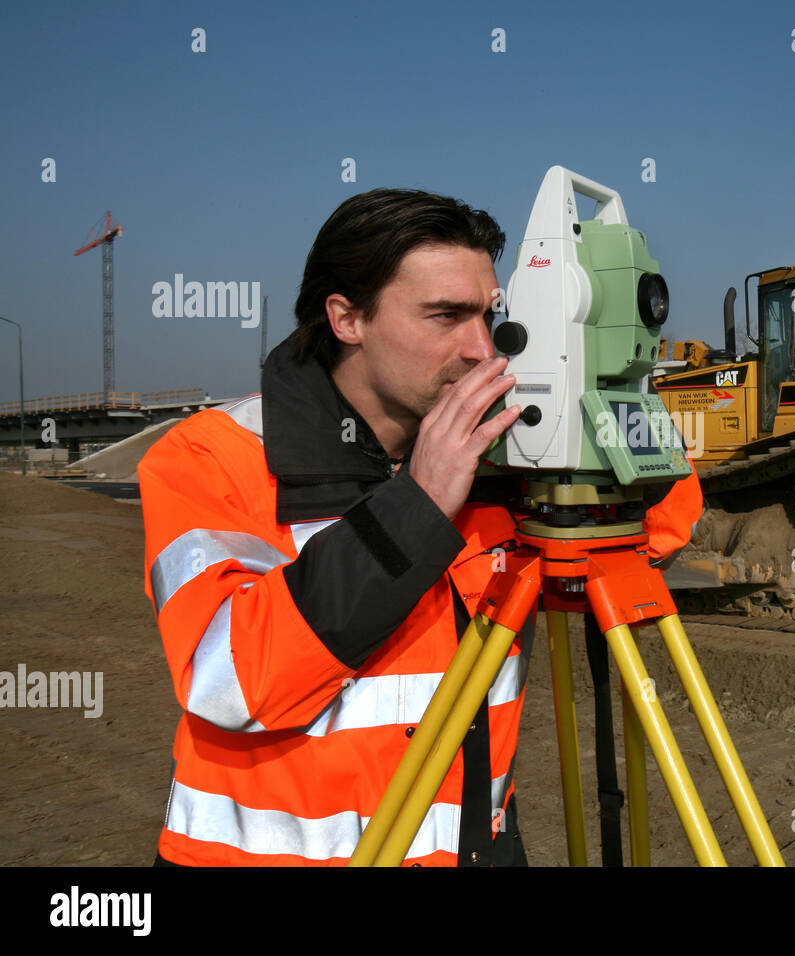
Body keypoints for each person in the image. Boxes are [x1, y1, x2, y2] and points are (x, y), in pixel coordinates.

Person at [139, 188, 702, 866]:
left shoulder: (506, 455)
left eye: (492, 316)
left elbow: (663, 530)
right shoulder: (213, 456)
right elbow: (228, 680)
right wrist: (417, 505)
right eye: (446, 316)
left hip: (469, 848)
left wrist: (605, 392)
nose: (480, 349)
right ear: (348, 319)